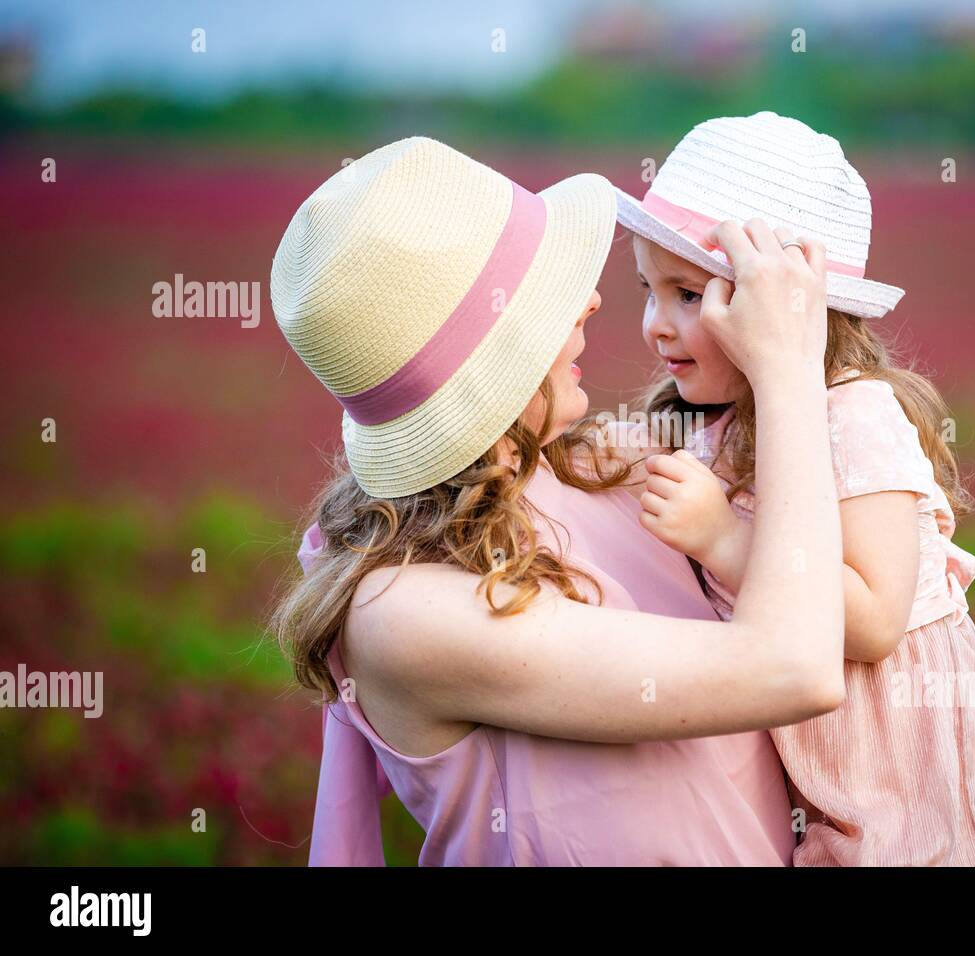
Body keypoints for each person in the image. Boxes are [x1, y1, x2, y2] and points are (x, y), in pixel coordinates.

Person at [268, 135, 845, 865]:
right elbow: (794, 668)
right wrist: (788, 366)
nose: (596, 298)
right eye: (543, 294)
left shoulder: (591, 469)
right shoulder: (403, 615)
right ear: (489, 356)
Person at [615, 112, 975, 865]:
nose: (654, 325)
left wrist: (722, 537)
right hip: (806, 783)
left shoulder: (855, 416)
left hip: (894, 788)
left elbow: (873, 622)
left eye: (688, 295)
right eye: (649, 289)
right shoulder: (722, 423)